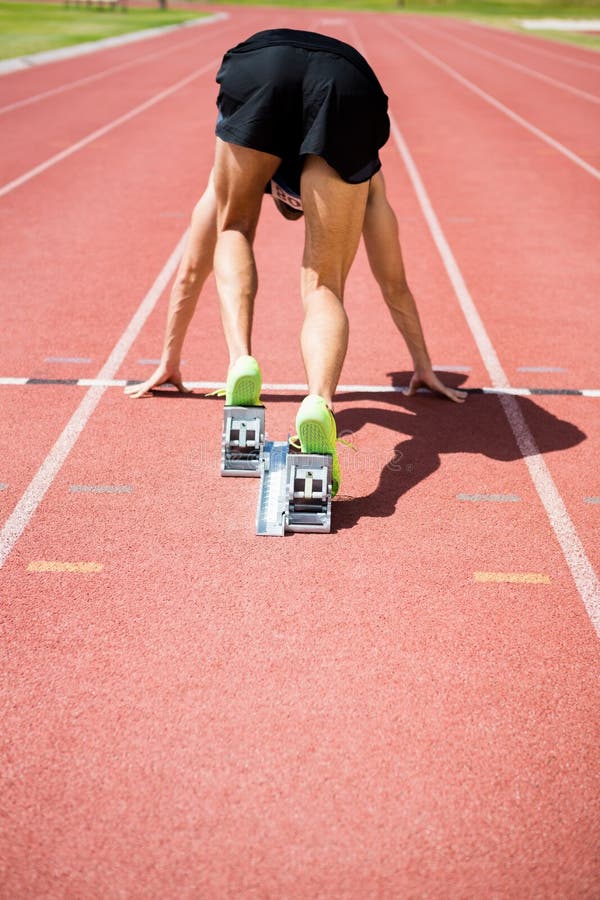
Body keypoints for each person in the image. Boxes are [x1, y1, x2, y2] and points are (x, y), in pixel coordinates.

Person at [126, 29, 467, 495]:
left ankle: (241, 360)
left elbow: (192, 267)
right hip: (348, 80)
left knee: (233, 229)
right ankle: (319, 403)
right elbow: (394, 282)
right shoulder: (374, 184)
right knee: (325, 285)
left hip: (262, 63)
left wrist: (171, 356)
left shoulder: (227, 179)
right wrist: (422, 362)